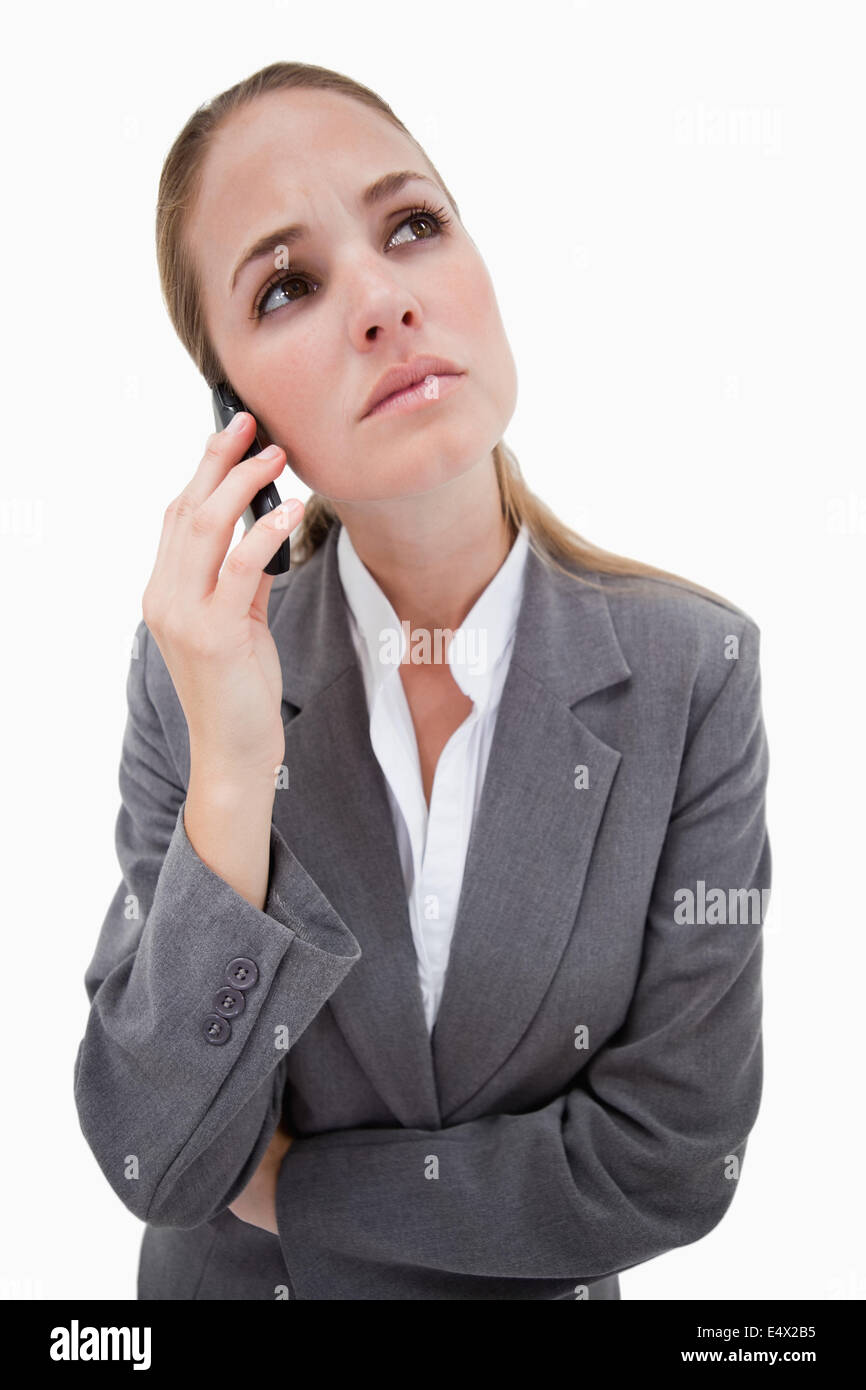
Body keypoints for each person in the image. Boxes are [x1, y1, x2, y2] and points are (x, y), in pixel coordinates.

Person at [73, 61, 772, 1301]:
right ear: (237, 418)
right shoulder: (193, 668)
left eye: (411, 225)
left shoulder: (690, 672)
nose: (384, 301)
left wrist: (296, 1189)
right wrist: (234, 771)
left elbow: (670, 1158)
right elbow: (160, 1154)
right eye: (287, 287)